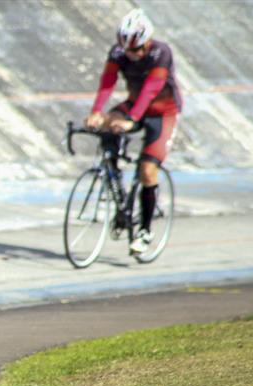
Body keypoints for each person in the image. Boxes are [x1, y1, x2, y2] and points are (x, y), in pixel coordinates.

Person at [85, 8, 182, 254]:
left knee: (148, 170)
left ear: (148, 41)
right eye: (128, 50)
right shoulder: (119, 52)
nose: (133, 55)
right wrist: (97, 112)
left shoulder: (162, 53)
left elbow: (151, 89)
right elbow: (108, 81)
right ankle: (116, 181)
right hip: (133, 105)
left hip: (162, 113)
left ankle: (144, 232)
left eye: (137, 49)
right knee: (106, 123)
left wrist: (132, 120)